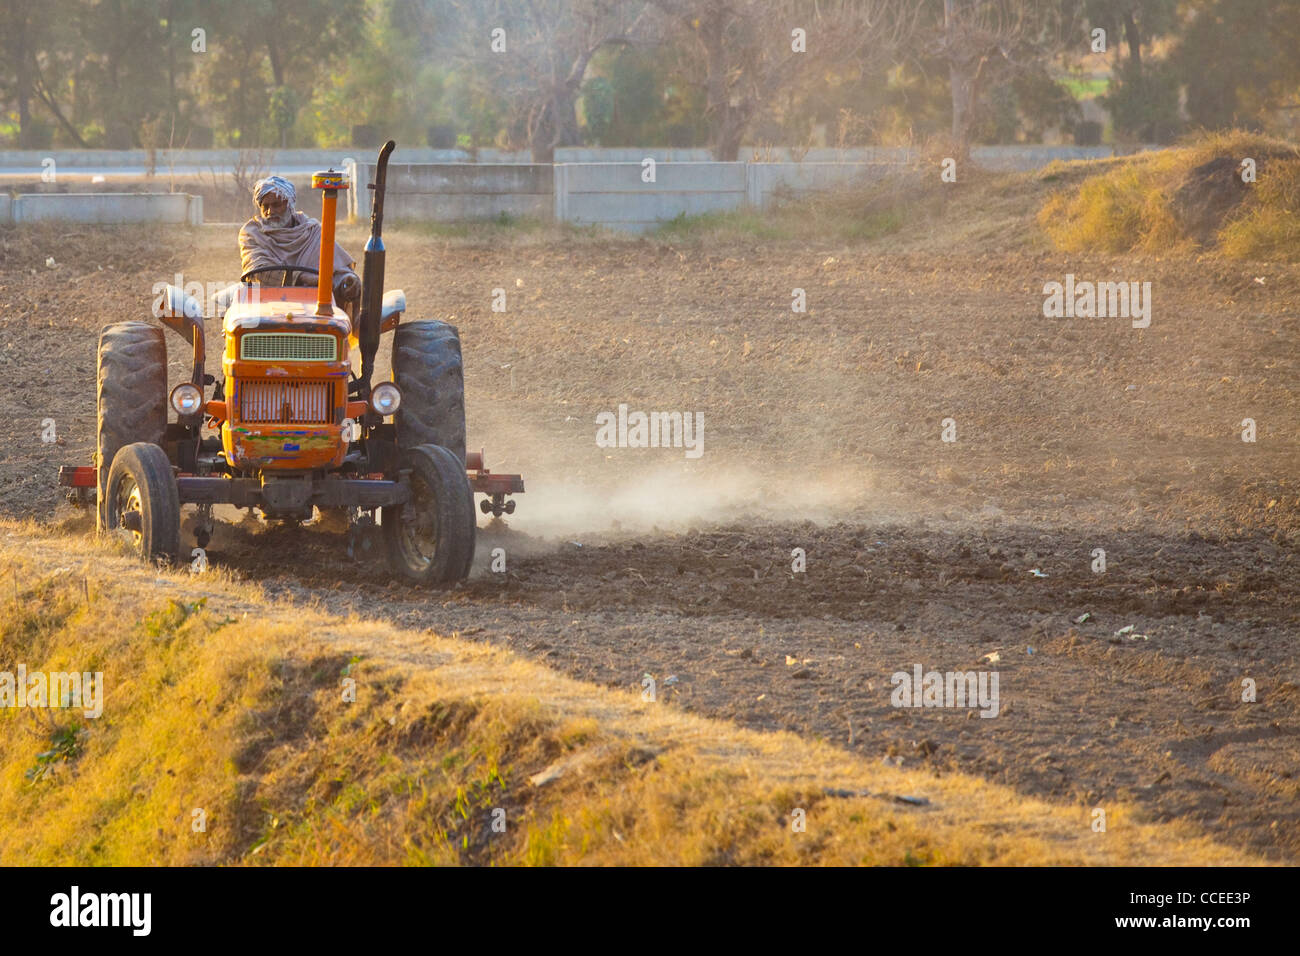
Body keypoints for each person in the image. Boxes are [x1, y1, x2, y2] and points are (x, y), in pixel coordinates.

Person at [238, 175, 361, 308]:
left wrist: (346, 281)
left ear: (290, 205)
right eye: (265, 206)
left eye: (276, 205)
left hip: (314, 306)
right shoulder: (252, 233)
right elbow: (258, 272)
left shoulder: (313, 231)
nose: (270, 212)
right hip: (265, 304)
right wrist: (302, 278)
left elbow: (336, 272)